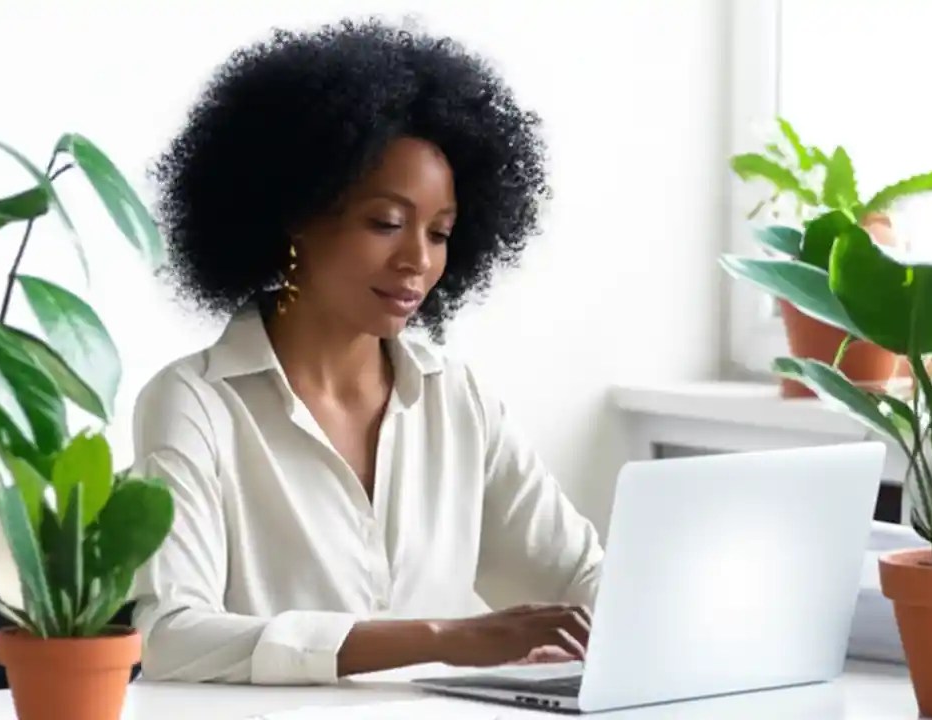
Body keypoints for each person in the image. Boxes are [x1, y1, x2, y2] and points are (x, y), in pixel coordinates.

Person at [130, 18, 604, 686]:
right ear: (295, 213)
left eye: (440, 233)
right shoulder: (196, 405)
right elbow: (172, 637)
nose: (417, 260)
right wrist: (442, 639)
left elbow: (585, 582)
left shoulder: (456, 400)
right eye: (385, 223)